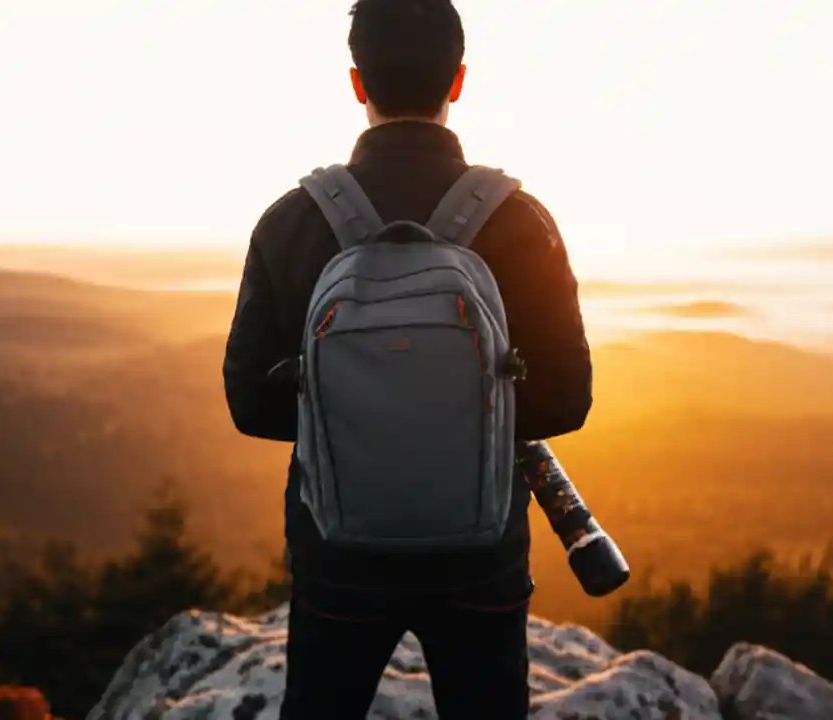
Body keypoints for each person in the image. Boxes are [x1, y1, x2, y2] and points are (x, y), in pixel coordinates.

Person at [223, 1, 591, 717]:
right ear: (457, 80)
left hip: (339, 551)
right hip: (480, 552)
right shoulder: (520, 221)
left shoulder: (293, 220)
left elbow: (251, 404)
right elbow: (567, 400)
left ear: (358, 83)